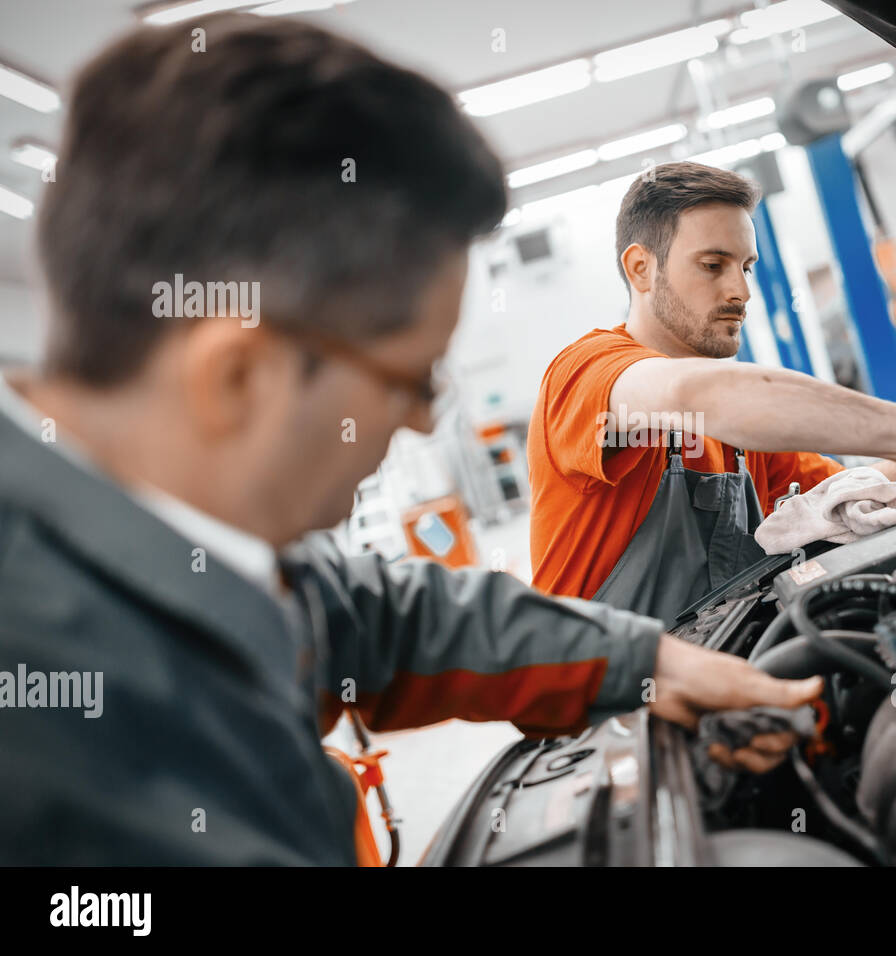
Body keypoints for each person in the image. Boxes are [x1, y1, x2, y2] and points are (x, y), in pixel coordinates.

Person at [0, 16, 821, 866]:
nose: (427, 421)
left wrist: (649, 659)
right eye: (414, 378)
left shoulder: (193, 539)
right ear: (238, 379)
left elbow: (384, 619)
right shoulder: (62, 752)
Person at [527, 162, 896, 620]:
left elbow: (834, 496)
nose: (742, 291)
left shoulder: (741, 425)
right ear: (640, 269)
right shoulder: (587, 371)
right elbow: (691, 396)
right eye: (713, 265)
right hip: (605, 700)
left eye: (747, 266)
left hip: (718, 668)